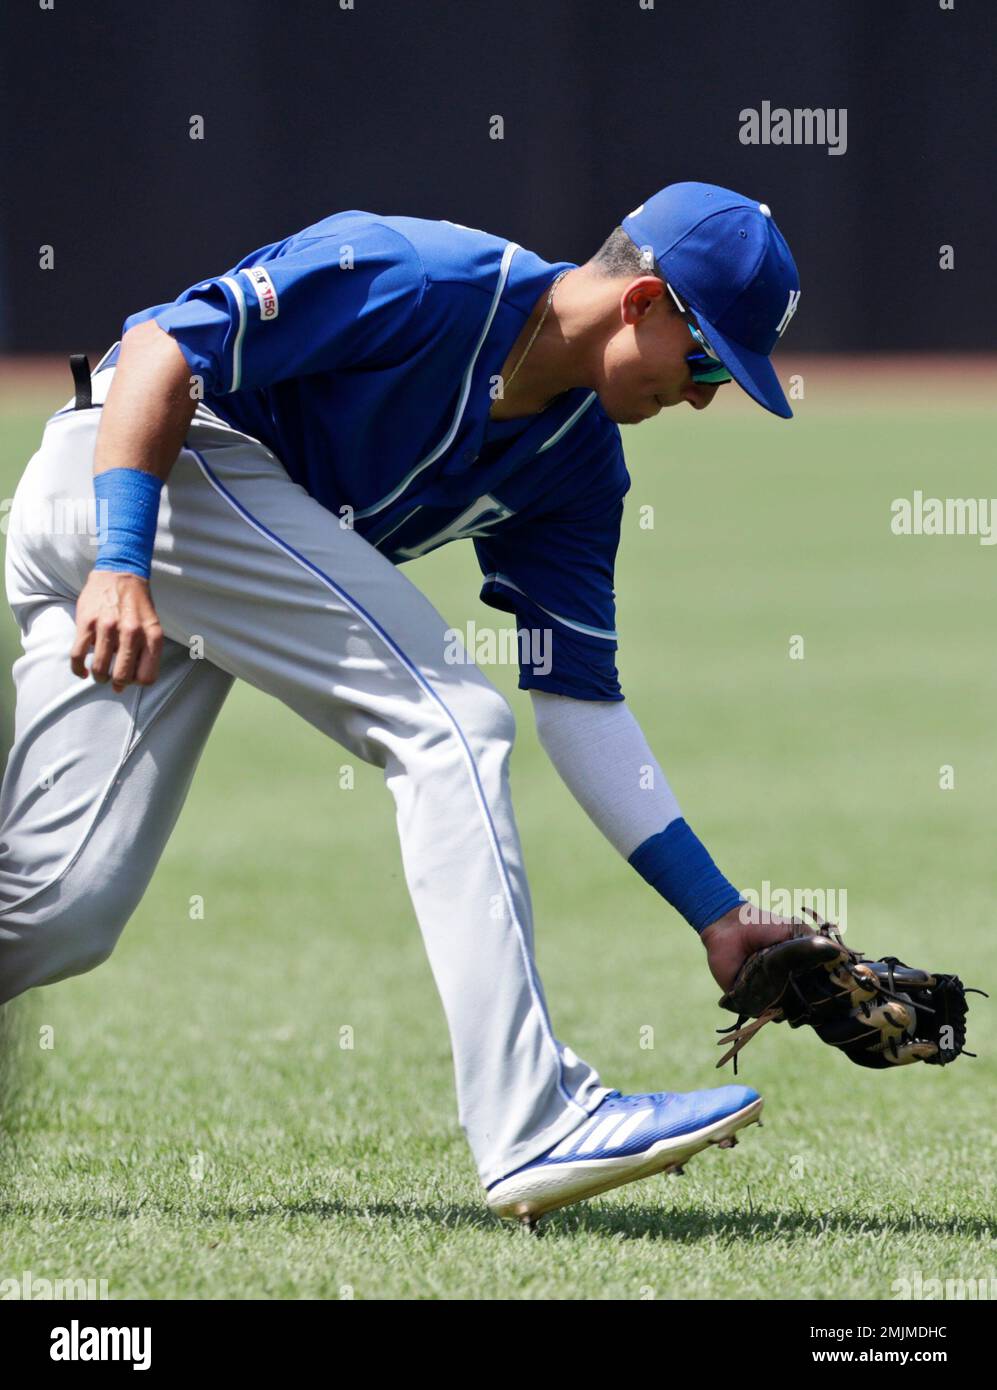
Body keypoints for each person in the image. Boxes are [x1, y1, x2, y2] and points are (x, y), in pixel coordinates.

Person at [0, 181, 804, 1226]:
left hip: (176, 553)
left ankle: (536, 1119)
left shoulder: (573, 468)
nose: (701, 397)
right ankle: (535, 1121)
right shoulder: (418, 277)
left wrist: (717, 911)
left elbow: (582, 704)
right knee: (448, 722)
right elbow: (157, 348)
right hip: (141, 471)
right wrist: (117, 558)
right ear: (643, 301)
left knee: (59, 904)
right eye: (705, 362)